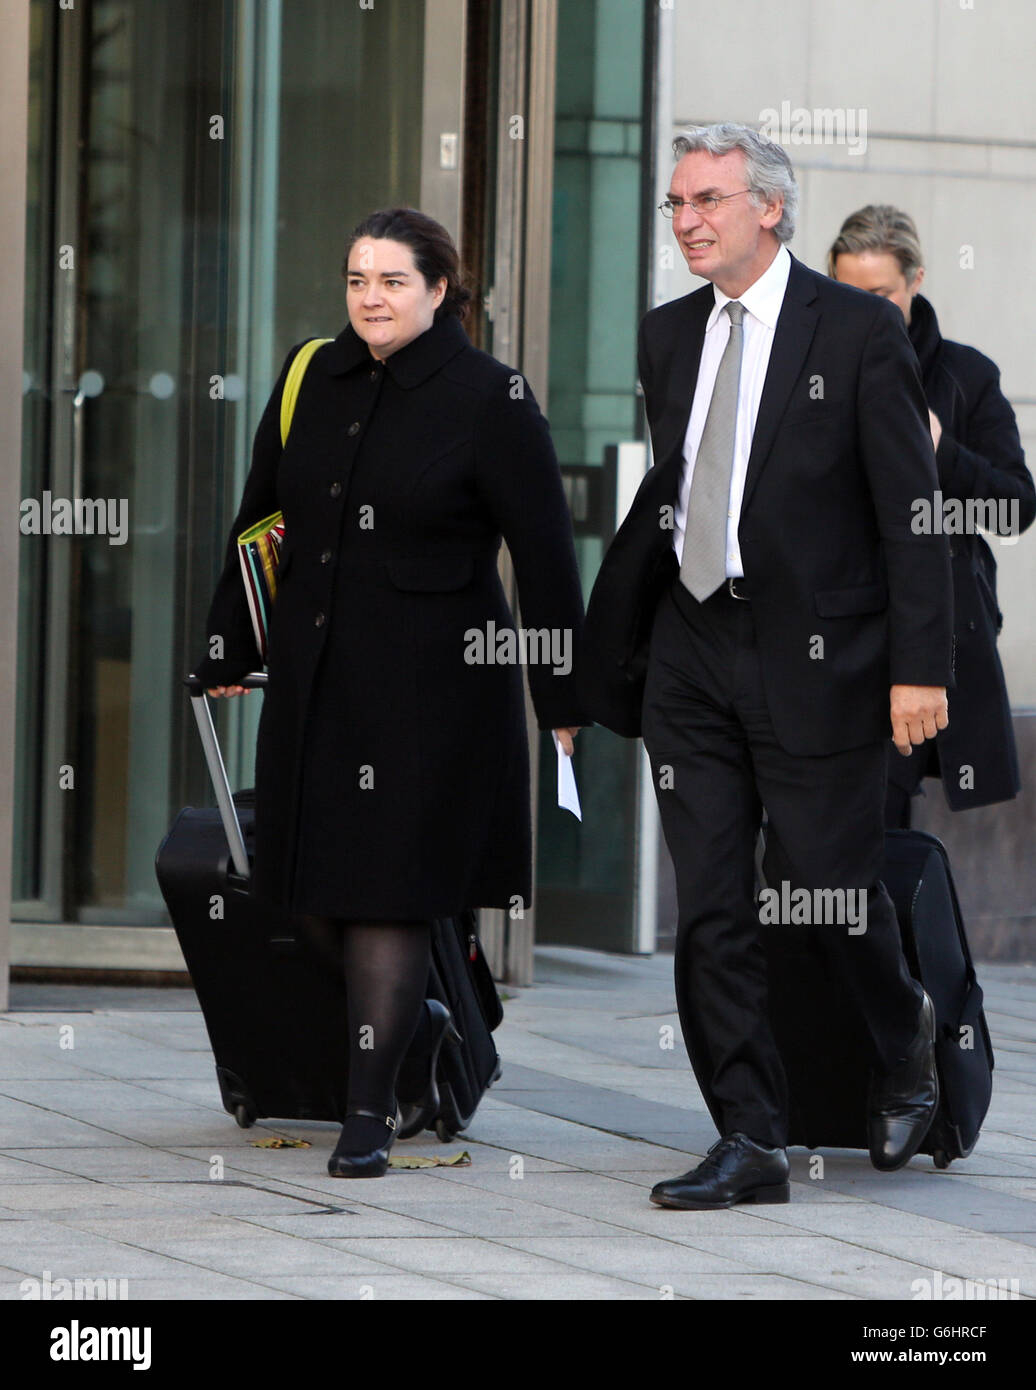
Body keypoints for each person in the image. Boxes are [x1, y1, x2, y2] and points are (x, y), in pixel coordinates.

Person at [577, 124, 953, 1209]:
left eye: (707, 201)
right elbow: (682, 488)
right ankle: (749, 1134)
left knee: (825, 894)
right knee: (711, 908)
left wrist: (916, 667)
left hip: (818, 657)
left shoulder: (856, 334)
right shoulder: (666, 336)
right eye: (676, 205)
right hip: (693, 651)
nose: (686, 222)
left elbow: (910, 510)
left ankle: (904, 1027)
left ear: (769, 210)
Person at [194, 207, 584, 1177]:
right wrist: (226, 645)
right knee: (311, 894)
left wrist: (564, 692)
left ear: (439, 289)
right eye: (358, 279)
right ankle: (425, 1027)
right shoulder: (308, 377)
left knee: (390, 899)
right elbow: (263, 522)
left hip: (433, 698)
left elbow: (542, 553)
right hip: (317, 686)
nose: (371, 298)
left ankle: (367, 1115)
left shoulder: (490, 397)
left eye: (393, 281)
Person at [829, 205, 1034, 827]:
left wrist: (940, 451)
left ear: (916, 281)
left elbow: (1015, 507)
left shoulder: (964, 375)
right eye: (844, 292)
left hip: (919, 641)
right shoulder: (808, 369)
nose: (862, 308)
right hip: (821, 640)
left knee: (881, 832)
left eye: (879, 294)